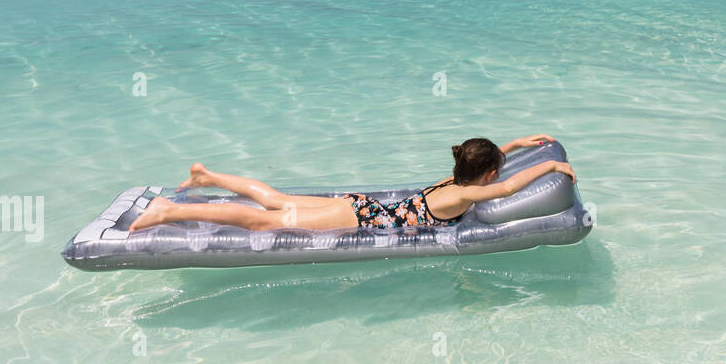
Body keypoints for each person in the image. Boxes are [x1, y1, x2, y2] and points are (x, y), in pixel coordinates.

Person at [128, 134, 574, 232]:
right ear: (490, 173)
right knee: (267, 221)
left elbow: (489, 172)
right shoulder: (465, 192)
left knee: (276, 203)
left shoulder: (452, 180)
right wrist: (552, 168)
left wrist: (513, 144)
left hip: (361, 207)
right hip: (362, 220)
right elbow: (506, 191)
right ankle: (171, 210)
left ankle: (206, 176)